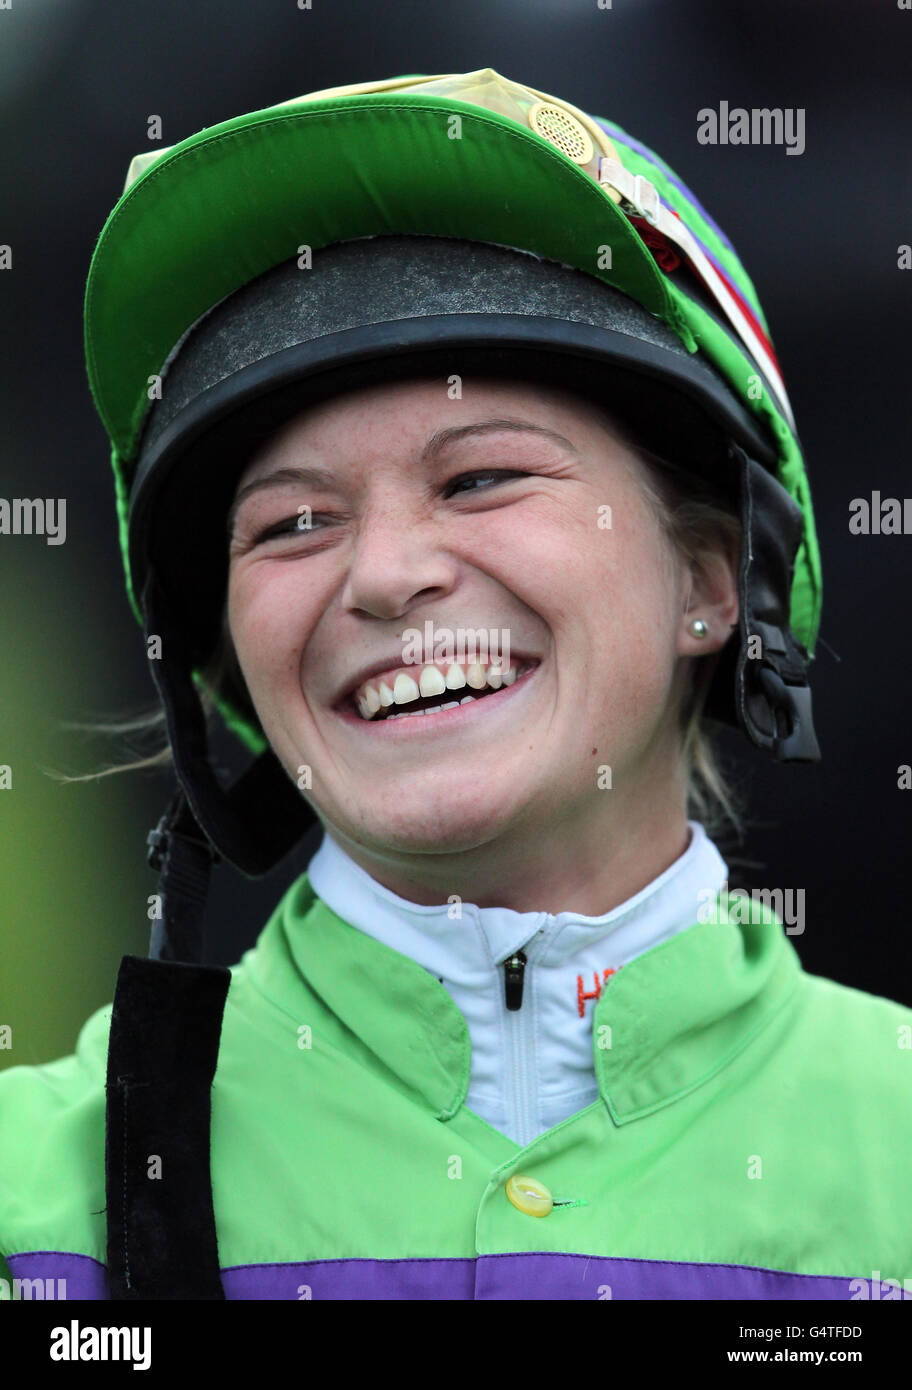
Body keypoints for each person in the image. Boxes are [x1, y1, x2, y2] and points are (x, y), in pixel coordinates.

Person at [1, 68, 910, 1303]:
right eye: (294, 522)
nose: (383, 574)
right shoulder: (31, 1199)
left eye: (480, 479)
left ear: (713, 579)